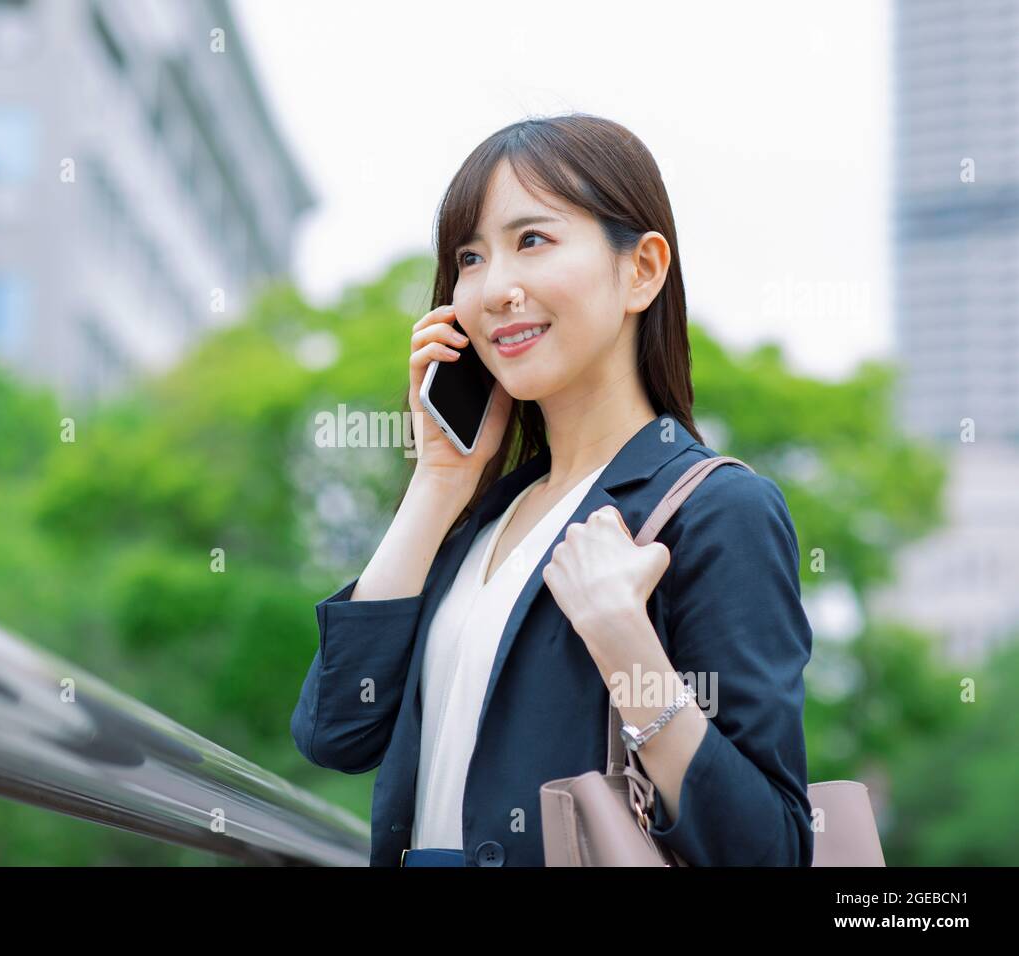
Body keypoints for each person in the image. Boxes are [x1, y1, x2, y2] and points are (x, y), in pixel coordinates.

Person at [290, 113, 814, 867]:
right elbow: (336, 731)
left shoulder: (715, 512)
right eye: (470, 257)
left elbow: (769, 850)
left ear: (641, 270)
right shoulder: (483, 517)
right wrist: (437, 484)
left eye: (532, 240)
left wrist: (626, 645)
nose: (496, 288)